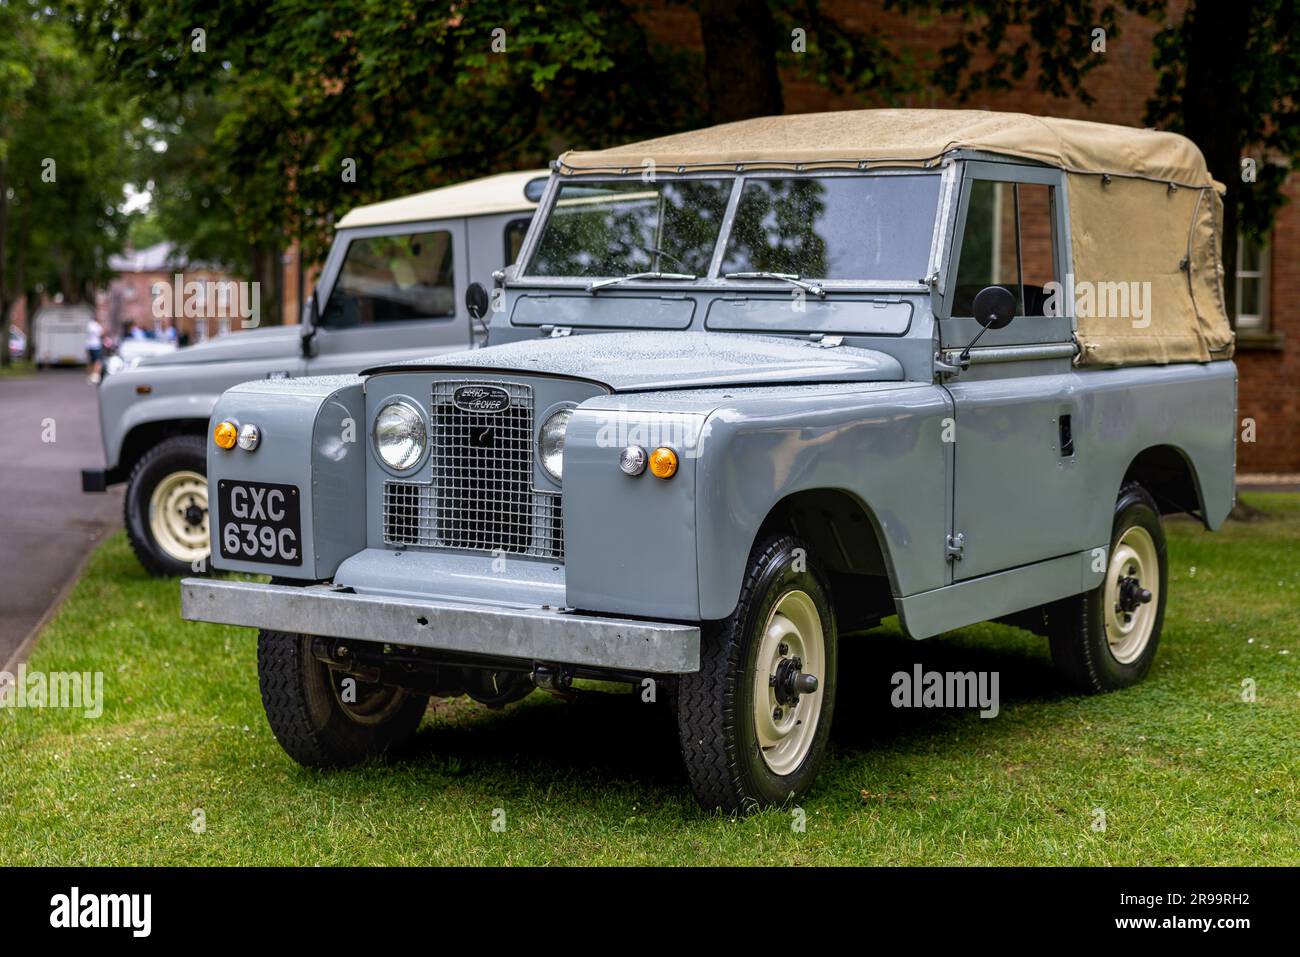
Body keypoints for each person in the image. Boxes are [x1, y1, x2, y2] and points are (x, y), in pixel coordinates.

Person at [85, 316, 104, 384]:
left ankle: (89, 376)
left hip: (89, 345)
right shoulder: (96, 325)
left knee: (91, 362)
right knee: (98, 361)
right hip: (96, 346)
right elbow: (101, 334)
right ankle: (95, 376)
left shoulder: (89, 325)